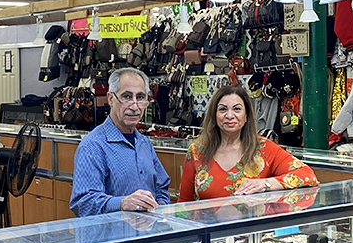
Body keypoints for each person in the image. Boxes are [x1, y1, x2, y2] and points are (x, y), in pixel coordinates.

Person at [177, 85, 318, 202]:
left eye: (237, 109)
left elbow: (307, 175)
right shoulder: (197, 151)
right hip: (208, 233)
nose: (230, 115)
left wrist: (265, 184)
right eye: (223, 109)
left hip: (252, 234)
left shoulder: (264, 148)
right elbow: (184, 203)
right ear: (214, 115)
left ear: (246, 116)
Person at [70, 67, 170, 216]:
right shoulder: (92, 146)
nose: (135, 106)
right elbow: (83, 203)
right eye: (127, 97)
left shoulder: (144, 144)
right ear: (111, 99)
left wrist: (158, 209)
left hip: (145, 235)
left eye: (141, 97)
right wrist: (122, 203)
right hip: (111, 237)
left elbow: (161, 188)